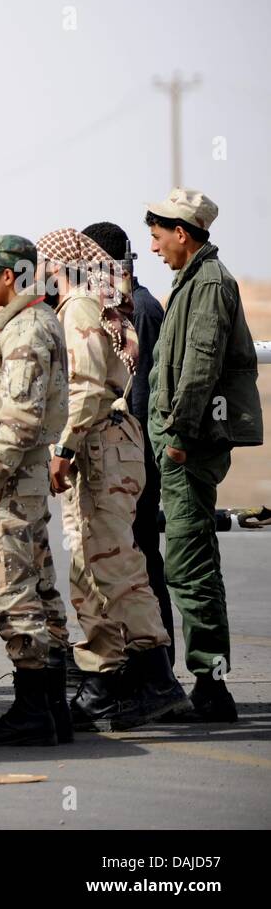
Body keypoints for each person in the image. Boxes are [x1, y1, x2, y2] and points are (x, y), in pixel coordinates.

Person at [36, 228, 186, 731]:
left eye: (44, 262)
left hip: (100, 446)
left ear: (61, 265)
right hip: (94, 449)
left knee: (116, 565)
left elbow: (89, 389)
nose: (39, 272)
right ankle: (102, 683)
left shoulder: (78, 307)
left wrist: (63, 448)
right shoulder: (77, 305)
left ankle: (156, 679)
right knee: (87, 567)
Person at [144, 188, 263, 722]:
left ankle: (212, 688)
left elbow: (200, 365)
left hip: (188, 448)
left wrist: (178, 436)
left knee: (190, 565)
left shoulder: (210, 284)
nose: (154, 247)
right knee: (191, 560)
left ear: (182, 234)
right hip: (180, 443)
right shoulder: (192, 281)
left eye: (158, 235)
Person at [0, 236, 70, 746]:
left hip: (12, 482)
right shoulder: (27, 321)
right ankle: (51, 707)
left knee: (15, 592)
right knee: (42, 585)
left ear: (10, 275)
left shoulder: (26, 328)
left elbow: (22, 417)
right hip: (21, 481)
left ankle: (33, 712)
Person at [81, 221, 173, 659]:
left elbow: (140, 394)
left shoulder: (140, 309)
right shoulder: (117, 307)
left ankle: (159, 666)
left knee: (141, 563)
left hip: (136, 458)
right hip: (126, 457)